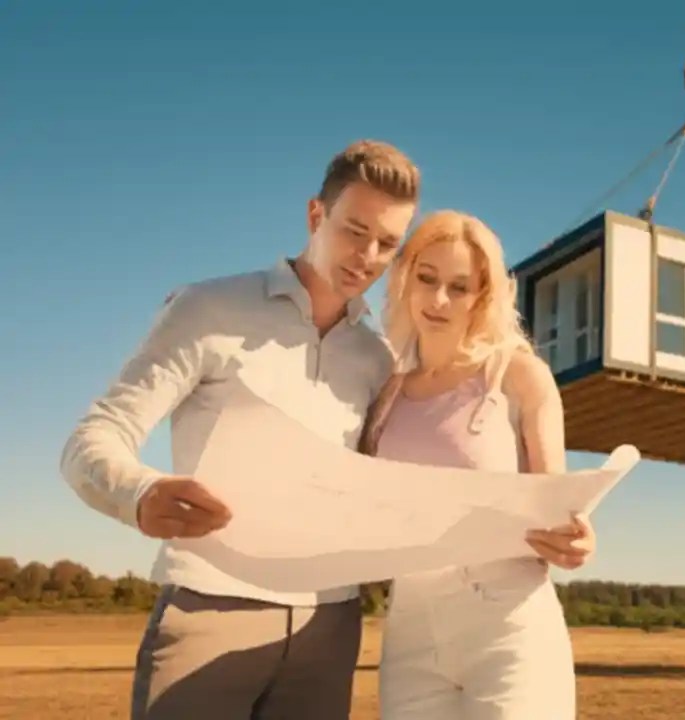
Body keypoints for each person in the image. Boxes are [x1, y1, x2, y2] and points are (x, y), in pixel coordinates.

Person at [58, 139, 422, 719]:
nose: (368, 256)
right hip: (209, 606)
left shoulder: (379, 358)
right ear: (314, 215)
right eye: (355, 231)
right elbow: (92, 437)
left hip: (329, 628)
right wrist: (140, 493)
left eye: (387, 244)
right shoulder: (208, 308)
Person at [358, 209, 594, 718]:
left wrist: (573, 537)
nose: (439, 300)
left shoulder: (519, 375)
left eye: (459, 287)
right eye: (427, 279)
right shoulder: (385, 397)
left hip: (507, 627)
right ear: (405, 278)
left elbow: (556, 500)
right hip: (411, 632)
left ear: (482, 295)